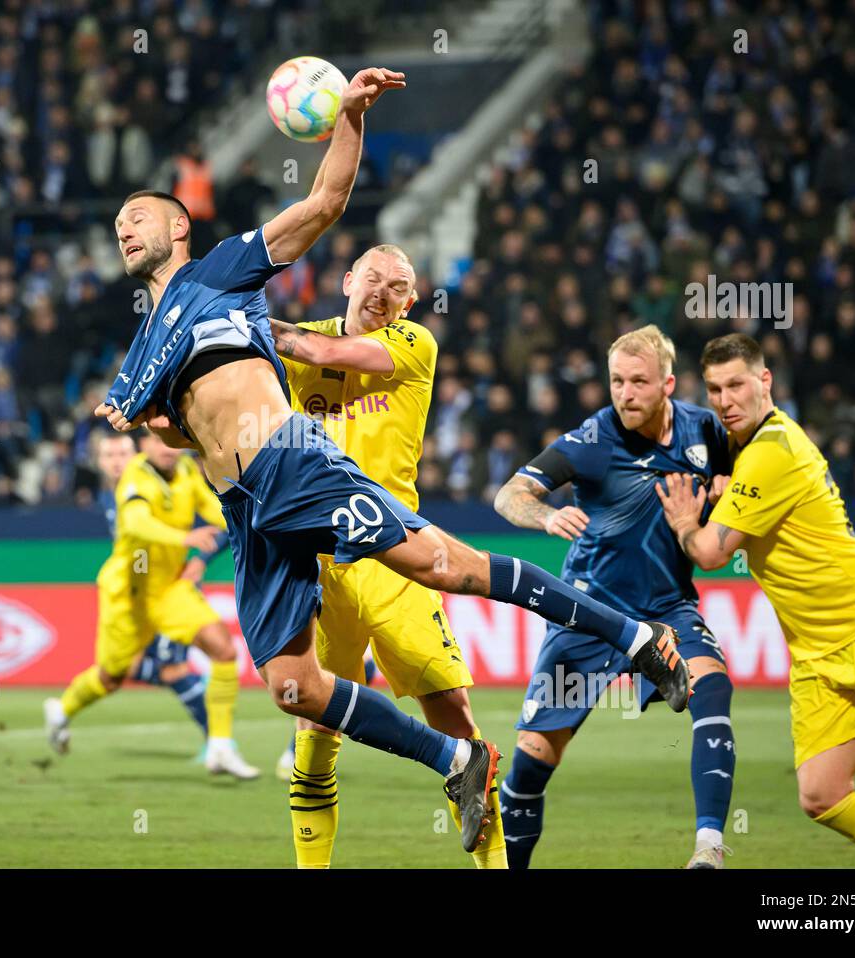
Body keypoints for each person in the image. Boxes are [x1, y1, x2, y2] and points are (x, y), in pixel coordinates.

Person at [95, 66, 687, 853]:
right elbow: (180, 435)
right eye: (116, 228)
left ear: (179, 230)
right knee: (292, 689)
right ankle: (457, 760)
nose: (123, 230)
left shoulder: (220, 275)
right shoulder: (139, 354)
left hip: (290, 462)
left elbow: (324, 203)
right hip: (247, 509)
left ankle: (635, 637)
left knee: (445, 567)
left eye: (138, 218)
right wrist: (141, 422)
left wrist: (348, 118)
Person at [659, 333, 855, 867]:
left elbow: (711, 553)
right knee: (822, 794)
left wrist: (683, 521)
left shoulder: (774, 450)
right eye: (715, 389)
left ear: (765, 381)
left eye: (737, 384)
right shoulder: (745, 452)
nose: (725, 400)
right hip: (816, 653)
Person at [266, 242, 506, 867]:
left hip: (395, 554)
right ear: (347, 280)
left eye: (397, 285)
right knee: (314, 727)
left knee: (455, 718)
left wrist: (235, 319)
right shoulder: (295, 338)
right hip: (318, 562)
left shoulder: (411, 345)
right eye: (371, 278)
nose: (381, 291)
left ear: (410, 299)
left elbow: (319, 351)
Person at [494, 326, 736, 868]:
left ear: (668, 383)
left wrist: (724, 498)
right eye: (617, 381)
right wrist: (547, 513)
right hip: (590, 615)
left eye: (639, 382)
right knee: (532, 766)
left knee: (713, 690)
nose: (625, 393)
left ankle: (708, 850)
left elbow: (739, 488)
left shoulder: (705, 430)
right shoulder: (591, 441)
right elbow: (510, 494)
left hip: (666, 606)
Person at [44, 430, 258, 779]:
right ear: (143, 445)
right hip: (129, 593)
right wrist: (185, 537)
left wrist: (254, 521)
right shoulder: (135, 476)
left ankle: (220, 745)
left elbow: (214, 508)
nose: (167, 449)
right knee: (111, 676)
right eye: (158, 442)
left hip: (169, 589)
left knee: (223, 650)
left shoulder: (188, 471)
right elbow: (136, 523)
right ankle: (62, 708)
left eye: (171, 441)